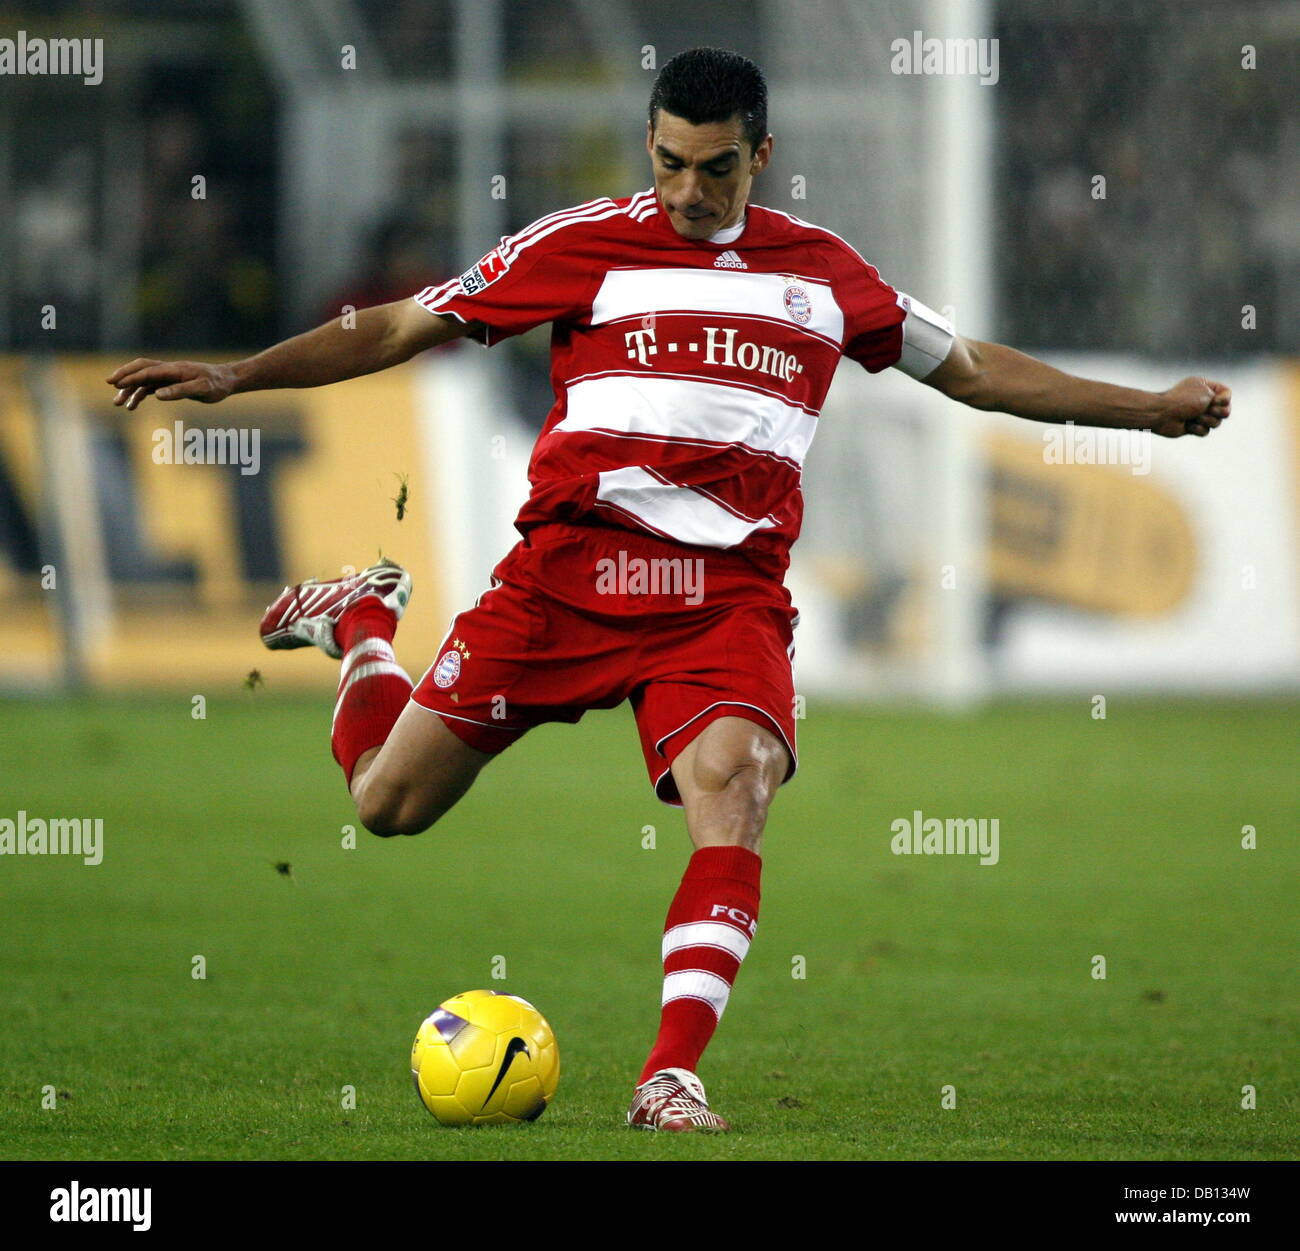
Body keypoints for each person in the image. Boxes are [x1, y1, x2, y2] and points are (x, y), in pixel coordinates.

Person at [107, 46, 1231, 1133]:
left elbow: (978, 372)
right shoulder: (585, 243)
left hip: (719, 601)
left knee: (735, 784)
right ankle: (360, 623)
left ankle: (667, 1080)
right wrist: (236, 375)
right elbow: (404, 323)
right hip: (562, 583)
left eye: (716, 169)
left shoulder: (824, 274)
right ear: (648, 146)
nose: (689, 192)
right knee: (385, 808)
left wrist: (1146, 408)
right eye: (669, 163)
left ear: (761, 155)